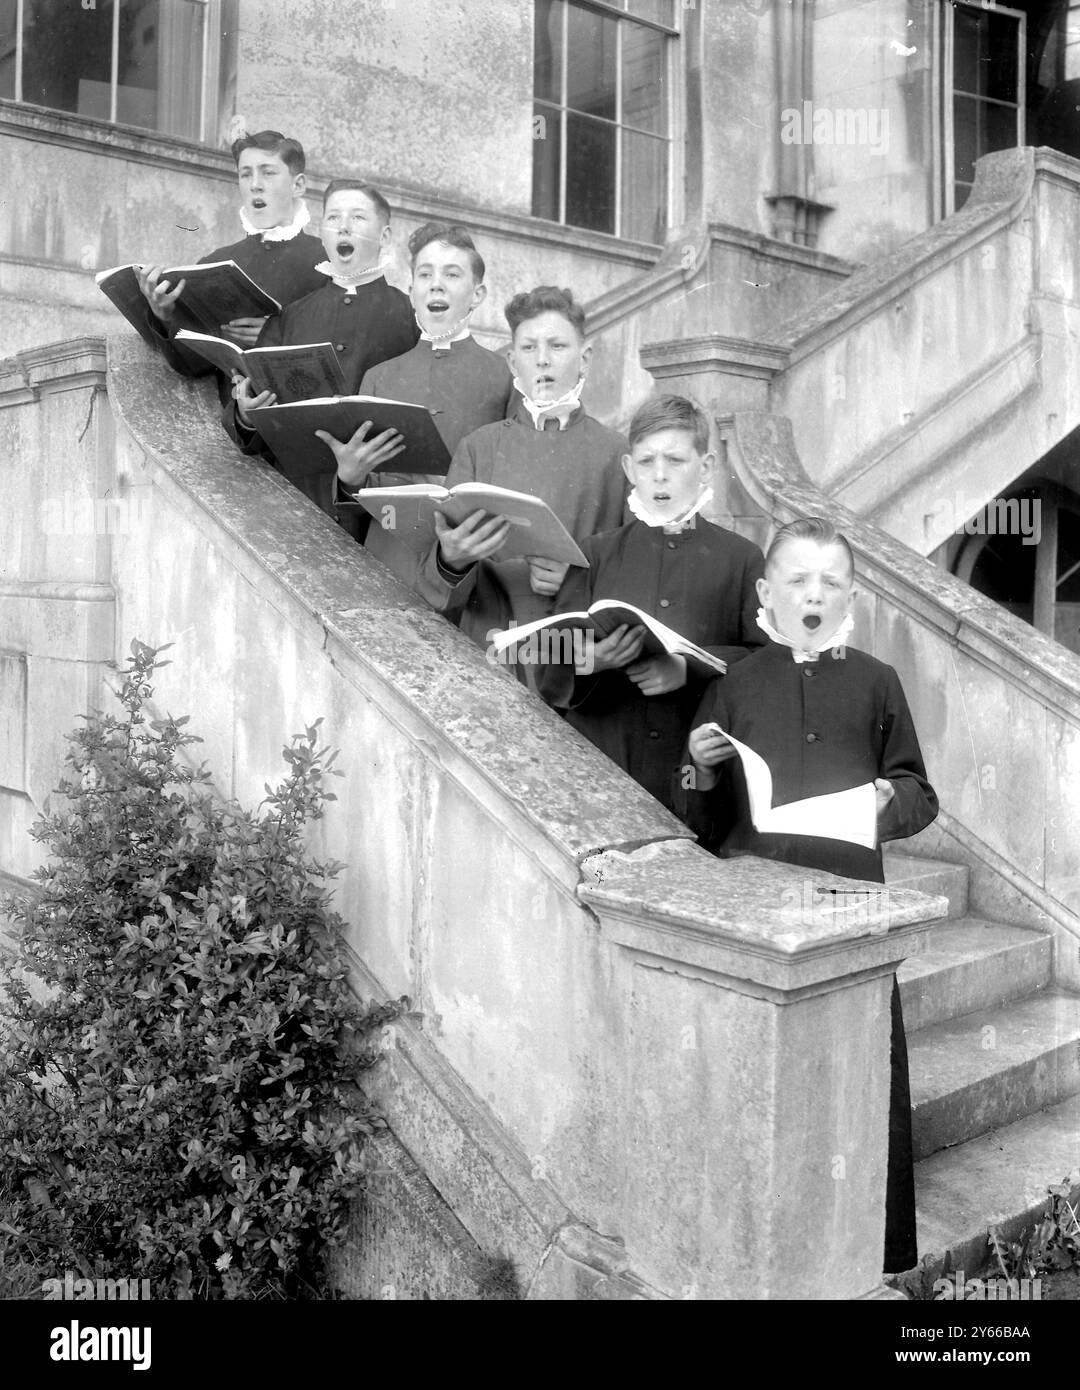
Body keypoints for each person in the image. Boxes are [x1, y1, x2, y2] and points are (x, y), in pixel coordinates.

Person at [678, 516, 939, 1275]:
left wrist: (891, 801)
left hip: (851, 905)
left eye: (830, 581)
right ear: (768, 592)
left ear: (851, 593)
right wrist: (697, 766)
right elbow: (701, 816)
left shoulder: (876, 681)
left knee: (859, 1076)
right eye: (797, 580)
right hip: (762, 908)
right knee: (763, 1078)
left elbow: (922, 793)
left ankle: (874, 1247)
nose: (813, 594)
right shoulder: (734, 685)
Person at [533, 395, 764, 812]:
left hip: (691, 777)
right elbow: (548, 659)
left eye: (675, 461)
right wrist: (590, 661)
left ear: (706, 467)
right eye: (646, 462)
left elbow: (764, 662)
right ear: (628, 469)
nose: (660, 476)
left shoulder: (742, 559)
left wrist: (686, 667)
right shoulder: (595, 553)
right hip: (601, 770)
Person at [413, 286, 627, 653]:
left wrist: (577, 583)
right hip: (487, 651)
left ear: (585, 357)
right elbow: (434, 592)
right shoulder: (480, 447)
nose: (542, 360)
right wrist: (451, 558)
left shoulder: (618, 455)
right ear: (513, 362)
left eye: (557, 346)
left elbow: (635, 576)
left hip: (574, 659)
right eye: (529, 348)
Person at [318, 221, 513, 584]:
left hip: (465, 571)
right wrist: (348, 478)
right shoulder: (380, 377)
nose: (436, 283)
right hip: (386, 562)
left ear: (477, 294)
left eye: (452, 274)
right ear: (412, 291)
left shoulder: (503, 377)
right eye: (425, 274)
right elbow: (359, 497)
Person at [228, 180, 419, 523]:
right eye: (333, 218)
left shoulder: (410, 317)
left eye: (358, 218)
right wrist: (245, 413)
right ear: (324, 233)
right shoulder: (291, 316)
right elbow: (250, 433)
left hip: (374, 512)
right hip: (290, 503)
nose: (343, 226)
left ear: (386, 236)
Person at [135, 130, 325, 385]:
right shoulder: (216, 263)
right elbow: (193, 366)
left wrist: (278, 335)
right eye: (246, 174)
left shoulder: (327, 259)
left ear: (298, 185)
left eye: (268, 172)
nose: (255, 184)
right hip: (235, 418)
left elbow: (349, 347)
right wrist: (164, 315)